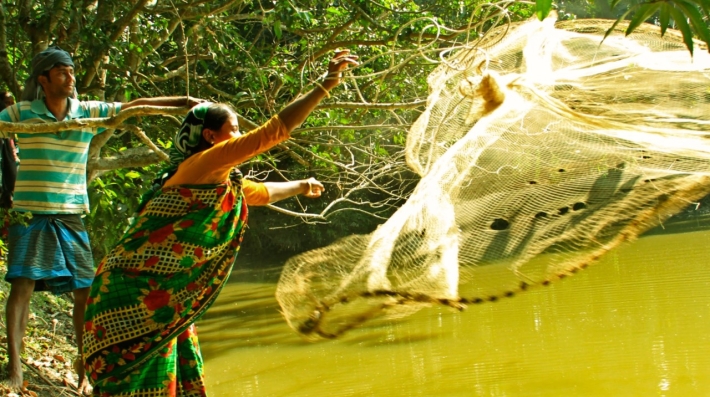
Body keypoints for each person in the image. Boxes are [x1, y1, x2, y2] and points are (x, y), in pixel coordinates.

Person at [82, 49, 358, 396]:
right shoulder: (202, 164)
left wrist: (302, 186)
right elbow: (272, 133)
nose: (239, 135)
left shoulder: (220, 182)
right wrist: (325, 85)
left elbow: (259, 193)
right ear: (210, 136)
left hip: (161, 297)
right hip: (132, 292)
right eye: (234, 129)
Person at [0, 46, 201, 394]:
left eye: (72, 71)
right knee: (22, 286)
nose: (70, 77)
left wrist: (184, 101)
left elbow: (135, 107)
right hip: (30, 213)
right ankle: (15, 369)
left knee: (85, 292)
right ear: (43, 79)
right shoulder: (20, 113)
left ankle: (84, 367)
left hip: (71, 214)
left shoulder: (88, 112)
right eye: (61, 72)